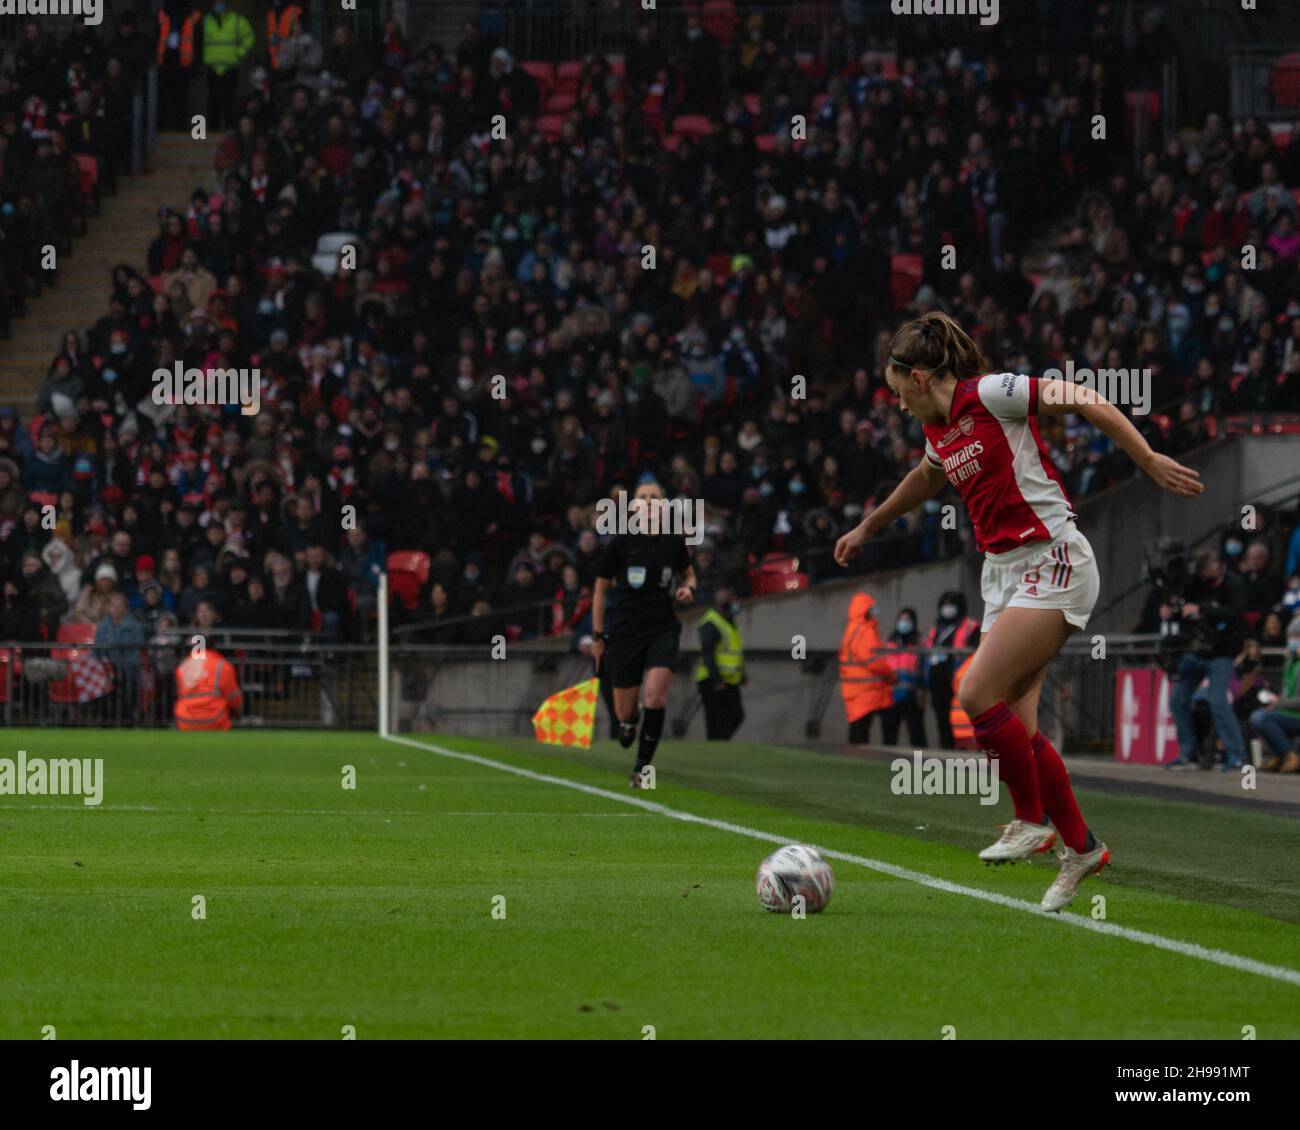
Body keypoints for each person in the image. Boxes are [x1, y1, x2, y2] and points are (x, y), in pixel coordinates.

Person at [834, 312, 1202, 912]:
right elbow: (925, 481)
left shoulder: (991, 392)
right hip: (1003, 575)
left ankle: (1031, 821)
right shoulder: (939, 430)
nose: (898, 404)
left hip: (1053, 558)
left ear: (921, 378)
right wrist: (867, 526)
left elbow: (1083, 398)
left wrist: (1148, 457)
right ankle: (1081, 847)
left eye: (899, 391)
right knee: (1019, 728)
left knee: (976, 691)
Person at [591, 480, 697, 788]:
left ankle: (642, 768)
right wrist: (598, 637)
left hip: (662, 626)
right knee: (626, 708)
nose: (649, 502)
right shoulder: (620, 543)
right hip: (625, 629)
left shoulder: (673, 542)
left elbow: (688, 573)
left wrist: (688, 588)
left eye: (655, 498)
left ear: (664, 506)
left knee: (656, 693)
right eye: (643, 498)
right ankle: (627, 723)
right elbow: (599, 591)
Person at [1166, 550, 1249, 771]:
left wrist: (1203, 609)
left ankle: (1236, 756)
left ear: (1215, 567)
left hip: (1222, 651)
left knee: (1217, 701)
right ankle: (1188, 754)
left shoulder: (1233, 584)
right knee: (1177, 699)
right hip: (1195, 650)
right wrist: (1173, 609)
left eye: (1205, 570)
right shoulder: (1195, 584)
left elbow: (1236, 613)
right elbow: (1181, 606)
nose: (1203, 576)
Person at [923, 591, 981, 748]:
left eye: (951, 604)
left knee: (958, 719)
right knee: (941, 718)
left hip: (958, 680)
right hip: (937, 682)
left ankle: (959, 750)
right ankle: (946, 749)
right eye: (945, 604)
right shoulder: (937, 628)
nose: (947, 608)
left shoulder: (971, 626)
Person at [838, 591, 896, 744]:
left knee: (857, 729)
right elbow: (875, 662)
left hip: (855, 691)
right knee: (873, 729)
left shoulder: (852, 630)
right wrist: (892, 676)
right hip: (868, 691)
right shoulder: (865, 632)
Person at [1249, 615, 1300, 773]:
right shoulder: (1290, 662)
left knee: (1266, 719)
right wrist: (1276, 704)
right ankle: (1280, 757)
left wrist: (1278, 704)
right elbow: (1286, 692)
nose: (1292, 641)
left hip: (1297, 714)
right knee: (1257, 717)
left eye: (1296, 637)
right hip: (1290, 713)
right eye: (1291, 637)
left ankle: (1289, 756)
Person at [694, 584, 745, 740]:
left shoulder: (728, 620)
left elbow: (735, 652)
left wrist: (742, 674)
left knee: (734, 716)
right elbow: (708, 653)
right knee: (716, 720)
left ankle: (719, 743)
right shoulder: (712, 622)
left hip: (729, 679)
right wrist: (717, 680)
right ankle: (716, 746)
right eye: (732, 600)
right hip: (713, 680)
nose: (736, 603)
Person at [201, 1, 255, 132]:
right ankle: (212, 131)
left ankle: (229, 131)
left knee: (229, 102)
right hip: (212, 68)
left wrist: (238, 53)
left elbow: (249, 38)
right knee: (213, 102)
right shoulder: (205, 21)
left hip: (230, 68)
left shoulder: (237, 20)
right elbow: (197, 41)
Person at [883, 606, 927, 747]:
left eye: (907, 620)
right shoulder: (889, 642)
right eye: (901, 619)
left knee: (917, 735)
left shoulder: (919, 643)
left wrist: (922, 689)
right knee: (889, 736)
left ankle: (923, 764)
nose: (904, 622)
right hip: (891, 695)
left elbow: (923, 668)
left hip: (912, 696)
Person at [174, 643, 243, 730]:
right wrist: (238, 713)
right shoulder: (222, 665)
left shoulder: (183, 666)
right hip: (214, 720)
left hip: (184, 721)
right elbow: (234, 697)